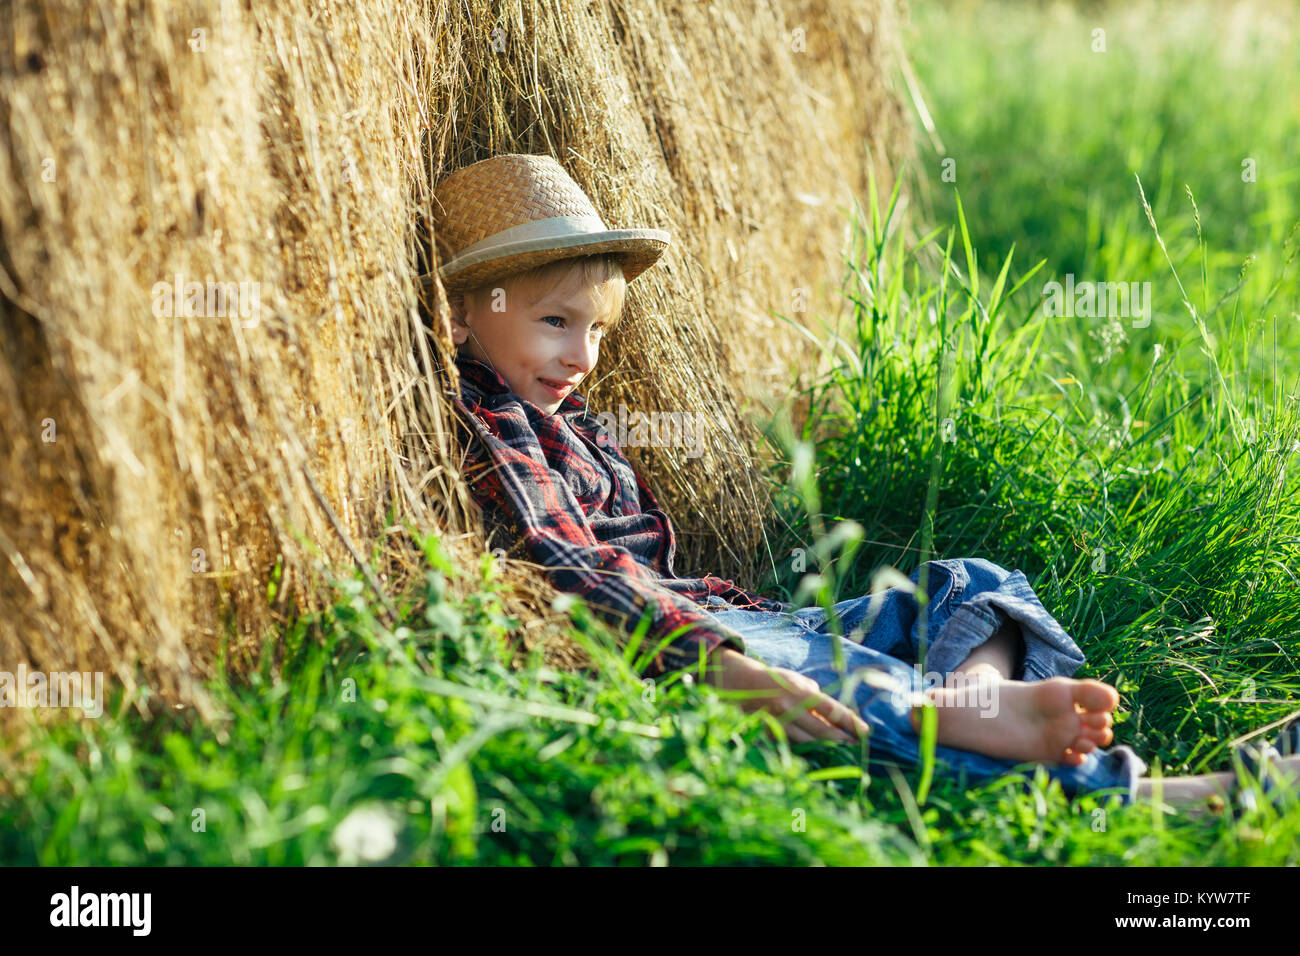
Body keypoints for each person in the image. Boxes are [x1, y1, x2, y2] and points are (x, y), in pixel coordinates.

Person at [419, 152, 1300, 814]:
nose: (583, 355)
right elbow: (559, 560)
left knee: (972, 584)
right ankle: (1194, 797)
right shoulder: (490, 421)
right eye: (554, 323)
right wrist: (718, 667)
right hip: (670, 648)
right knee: (840, 699)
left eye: (598, 331)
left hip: (738, 618)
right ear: (464, 316)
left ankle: (964, 704)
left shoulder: (571, 424)